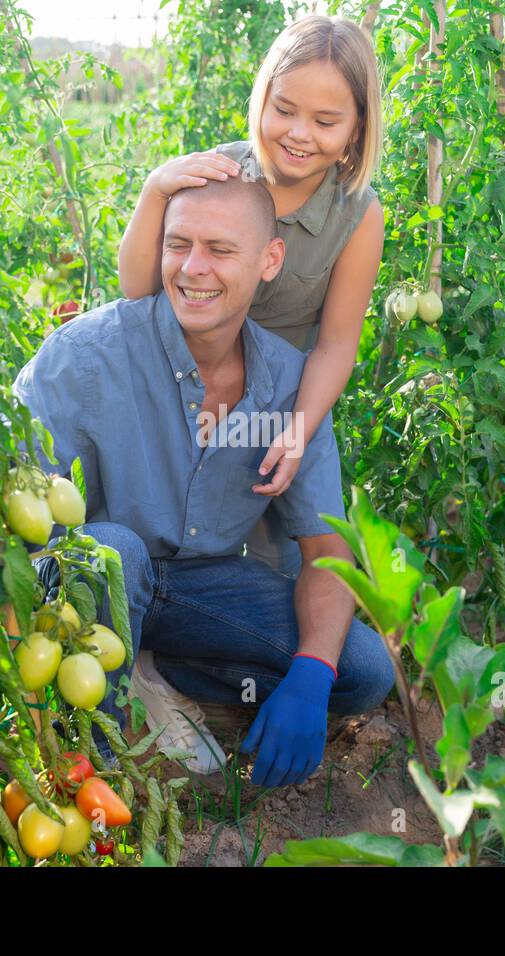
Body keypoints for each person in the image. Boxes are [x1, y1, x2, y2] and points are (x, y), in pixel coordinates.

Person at [14, 176, 394, 788]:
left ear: (270, 260)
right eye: (178, 245)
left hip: (198, 593)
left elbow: (326, 553)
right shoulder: (85, 356)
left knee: (361, 670)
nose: (193, 268)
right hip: (94, 585)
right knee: (114, 553)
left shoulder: (290, 386)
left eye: (220, 250)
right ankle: (95, 764)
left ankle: (158, 671)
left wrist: (310, 676)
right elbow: (14, 517)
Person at [117, 14, 385, 576]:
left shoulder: (357, 216)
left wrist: (298, 429)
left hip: (271, 402)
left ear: (357, 130)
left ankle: (269, 652)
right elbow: (137, 290)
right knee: (152, 525)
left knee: (282, 557)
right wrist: (153, 190)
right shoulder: (217, 173)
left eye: (326, 120)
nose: (298, 132)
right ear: (262, 99)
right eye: (283, 109)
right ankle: (154, 638)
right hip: (179, 379)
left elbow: (336, 345)